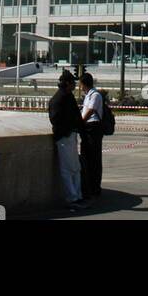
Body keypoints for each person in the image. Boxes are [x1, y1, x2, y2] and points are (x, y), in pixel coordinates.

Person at [48, 70, 85, 209]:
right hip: (64, 137)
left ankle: (78, 195)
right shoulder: (59, 99)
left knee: (75, 167)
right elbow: (55, 119)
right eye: (73, 82)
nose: (75, 85)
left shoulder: (67, 97)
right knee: (67, 169)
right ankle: (72, 198)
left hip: (70, 135)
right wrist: (68, 129)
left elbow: (76, 116)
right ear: (68, 83)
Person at [79, 72, 104, 200]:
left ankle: (95, 187)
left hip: (93, 128)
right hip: (87, 128)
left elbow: (90, 111)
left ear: (84, 84)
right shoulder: (87, 96)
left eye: (81, 84)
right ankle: (88, 186)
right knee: (86, 158)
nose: (80, 87)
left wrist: (80, 122)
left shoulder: (95, 95)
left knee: (94, 158)